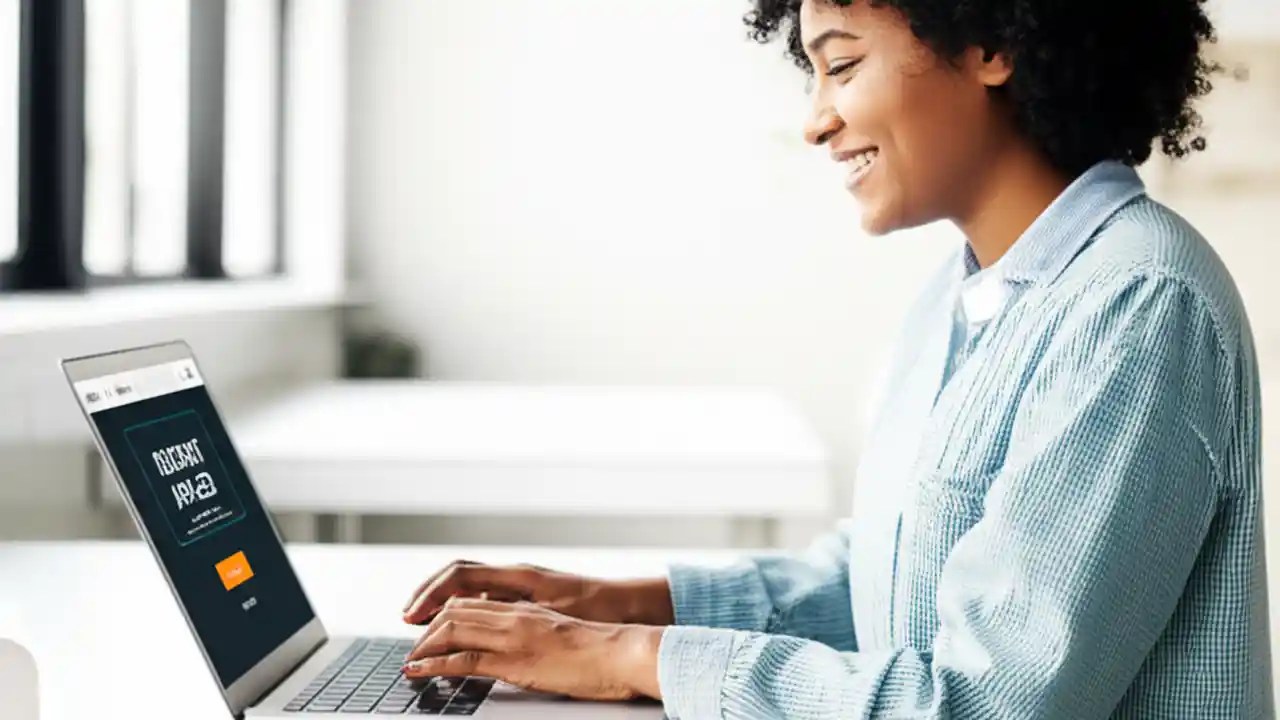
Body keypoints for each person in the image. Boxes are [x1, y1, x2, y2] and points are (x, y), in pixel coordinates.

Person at [397, 0, 1274, 717]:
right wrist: (618, 604)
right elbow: (891, 581)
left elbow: (981, 702)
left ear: (993, 44)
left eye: (842, 65)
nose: (817, 121)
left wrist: (637, 657)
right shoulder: (968, 294)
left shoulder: (1139, 305)